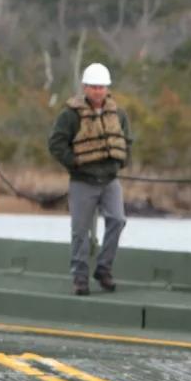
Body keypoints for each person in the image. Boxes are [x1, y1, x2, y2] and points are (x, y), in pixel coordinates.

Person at [47, 63, 131, 296]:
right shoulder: (70, 115)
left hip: (110, 180)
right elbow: (55, 143)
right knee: (80, 230)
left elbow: (127, 140)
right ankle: (80, 277)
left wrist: (121, 162)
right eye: (93, 87)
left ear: (107, 89)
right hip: (82, 181)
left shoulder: (118, 114)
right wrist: (73, 162)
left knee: (118, 219)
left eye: (102, 87)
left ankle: (104, 269)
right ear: (85, 87)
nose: (98, 91)